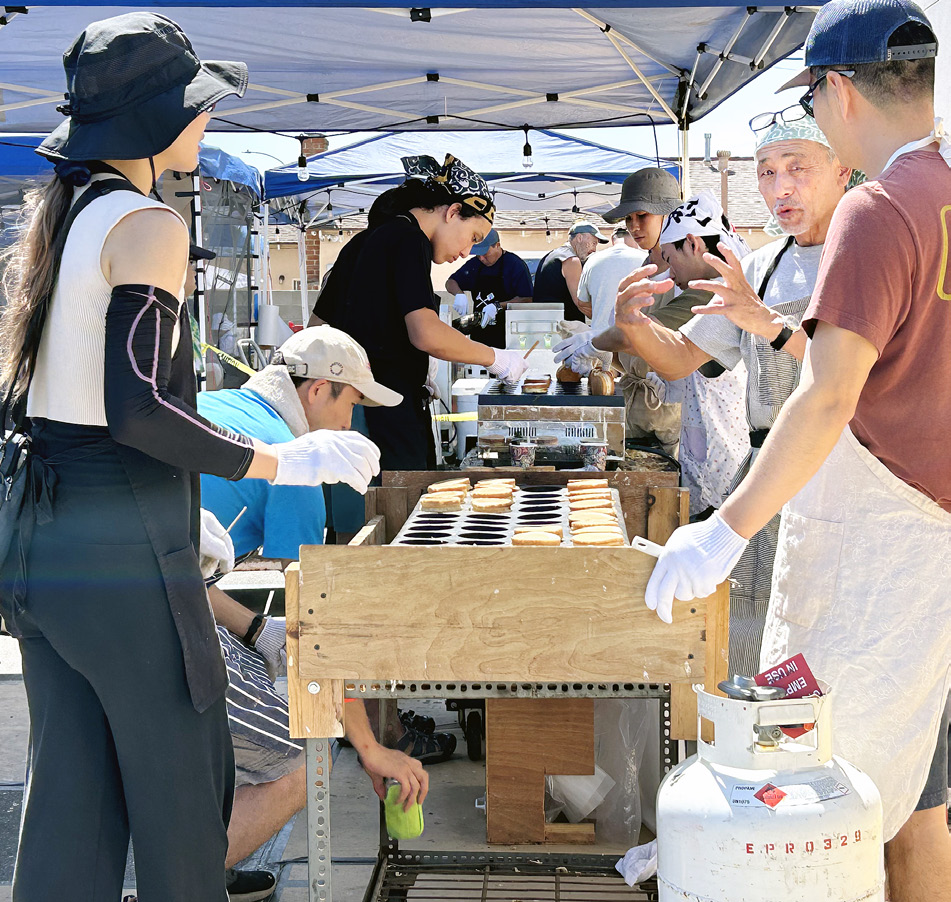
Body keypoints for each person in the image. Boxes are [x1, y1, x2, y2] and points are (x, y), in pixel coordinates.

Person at [0, 14, 381, 901]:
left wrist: (183, 503)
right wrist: (285, 461)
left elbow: (59, 403)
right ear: (161, 119)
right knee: (180, 801)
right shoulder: (145, 221)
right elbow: (138, 410)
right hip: (121, 539)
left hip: (42, 540)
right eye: (200, 106)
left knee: (72, 799)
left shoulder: (65, 215)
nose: (208, 124)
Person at [643, 2, 951, 897]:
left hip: (878, 550)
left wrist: (725, 529)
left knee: (828, 803)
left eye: (810, 103)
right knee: (920, 792)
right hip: (933, 541)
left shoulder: (878, 208)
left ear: (840, 91)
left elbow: (829, 395)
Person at [571, 120, 851, 677]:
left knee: (842, 646)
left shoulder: (864, 256)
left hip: (850, 471)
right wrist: (633, 324)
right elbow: (680, 357)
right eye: (768, 172)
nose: (781, 189)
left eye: (799, 168)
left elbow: (847, 384)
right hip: (770, 469)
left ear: (843, 169)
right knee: (758, 637)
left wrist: (771, 326)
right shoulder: (761, 268)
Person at [195, 327, 438, 889]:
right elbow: (316, 630)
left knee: (254, 683)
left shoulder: (214, 406)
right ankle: (195, 872)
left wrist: (258, 629)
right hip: (155, 624)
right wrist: (371, 747)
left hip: (100, 601)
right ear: (319, 390)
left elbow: (178, 563)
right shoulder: (295, 461)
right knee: (309, 753)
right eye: (352, 404)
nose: (353, 425)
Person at [326, 154, 529, 470]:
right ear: (453, 211)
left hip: (349, 407)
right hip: (387, 405)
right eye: (473, 237)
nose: (465, 252)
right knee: (404, 504)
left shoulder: (365, 240)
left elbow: (318, 328)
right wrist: (496, 358)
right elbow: (425, 332)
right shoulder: (409, 240)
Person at [554, 169, 685, 456]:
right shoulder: (640, 267)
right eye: (629, 218)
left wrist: (596, 341)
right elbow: (628, 344)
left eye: (642, 216)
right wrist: (602, 354)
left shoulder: (685, 270)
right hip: (632, 405)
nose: (635, 226)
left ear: (669, 214)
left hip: (671, 411)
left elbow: (656, 338)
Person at [447, 227, 533, 348]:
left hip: (508, 335)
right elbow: (451, 282)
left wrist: (497, 306)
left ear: (497, 245)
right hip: (479, 335)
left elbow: (527, 299)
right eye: (478, 254)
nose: (481, 258)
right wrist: (459, 295)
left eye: (485, 253)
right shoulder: (474, 265)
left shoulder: (515, 265)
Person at [533, 220, 606, 321]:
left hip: (545, 324)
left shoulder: (551, 255)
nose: (594, 249)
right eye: (593, 243)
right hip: (564, 328)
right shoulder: (571, 260)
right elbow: (581, 303)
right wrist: (605, 320)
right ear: (579, 238)